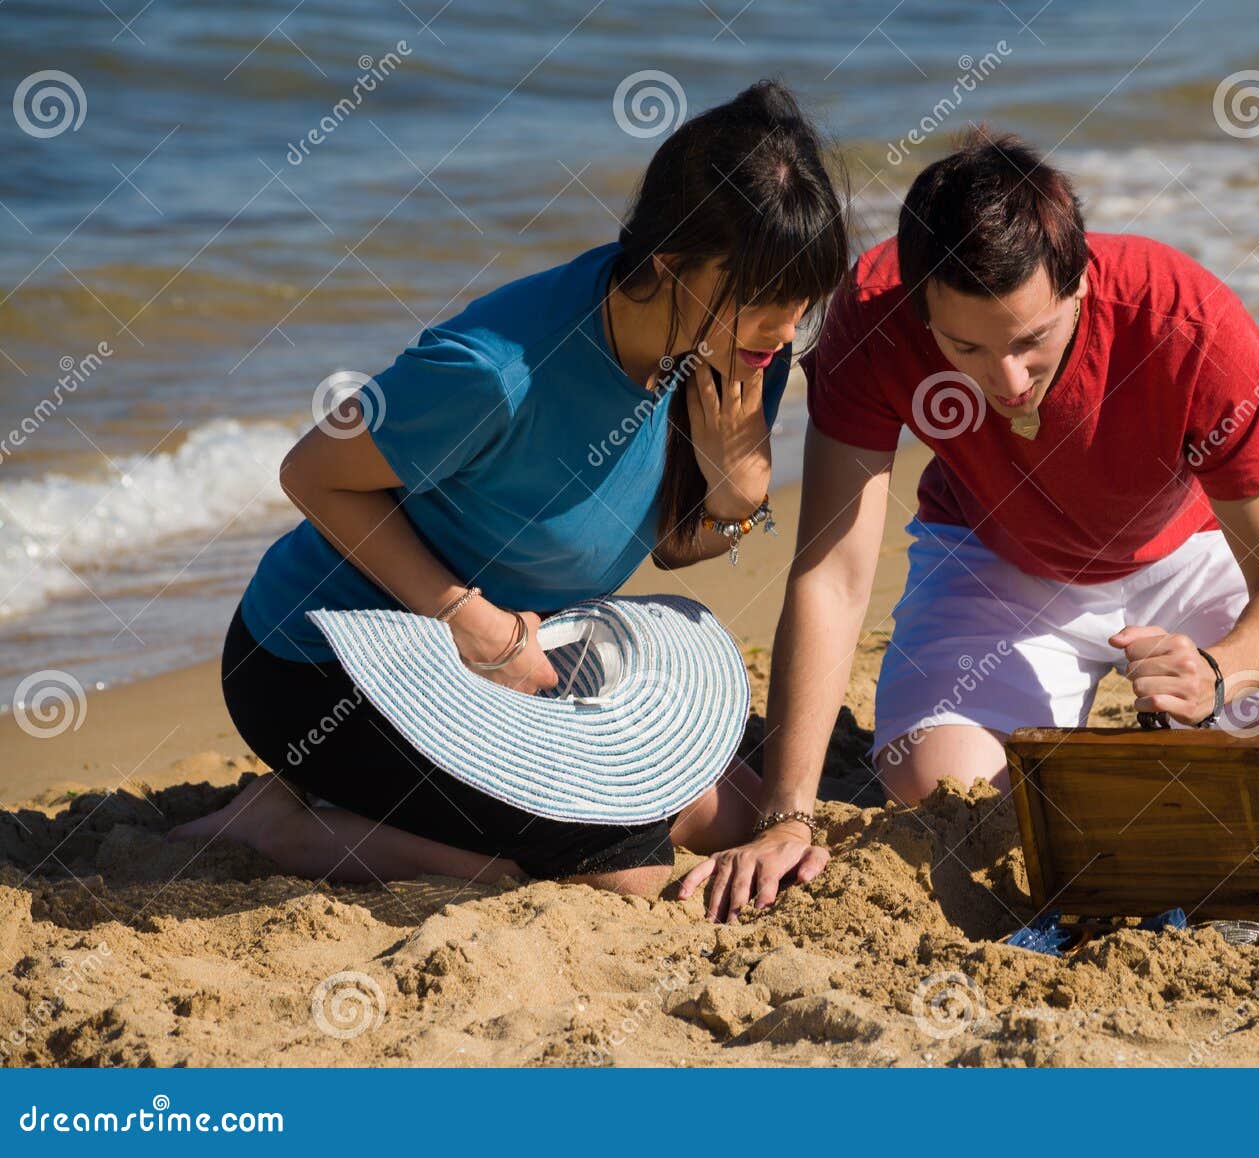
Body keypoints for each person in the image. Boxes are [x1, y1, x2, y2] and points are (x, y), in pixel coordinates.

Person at [681, 129, 1259, 922]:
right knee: (950, 798)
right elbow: (836, 574)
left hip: (1193, 552)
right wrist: (788, 813)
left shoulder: (1186, 321)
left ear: (1080, 286)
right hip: (997, 561)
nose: (1009, 380)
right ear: (919, 306)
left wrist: (1220, 673)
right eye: (967, 348)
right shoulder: (871, 316)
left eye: (1032, 341)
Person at [168, 80, 849, 896]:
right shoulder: (498, 371)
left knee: (731, 818)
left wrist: (739, 494)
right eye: (768, 300)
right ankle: (279, 824)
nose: (788, 328)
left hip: (525, 658)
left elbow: (670, 545)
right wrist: (474, 625)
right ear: (673, 269)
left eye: (806, 300)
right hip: (323, 662)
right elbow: (311, 472)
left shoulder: (742, 358)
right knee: (623, 878)